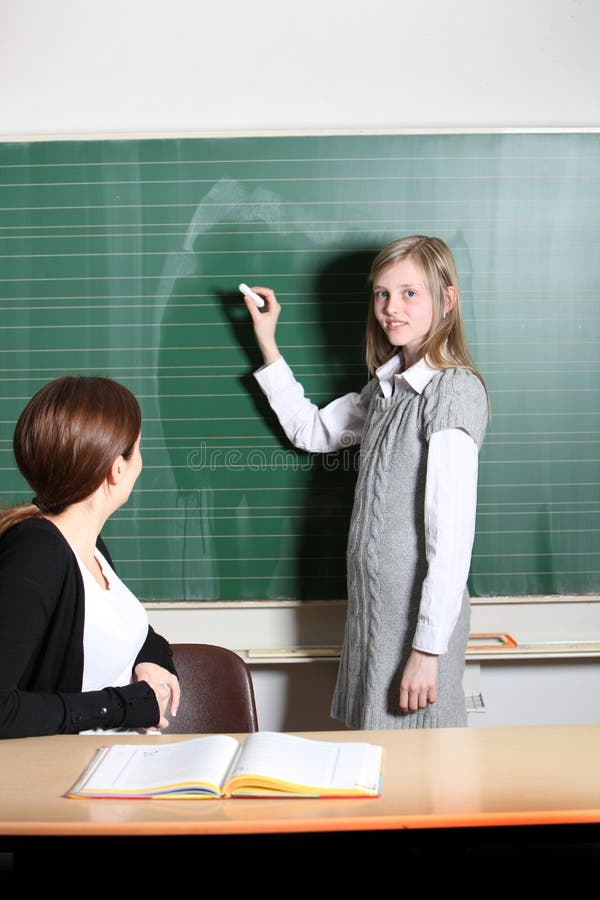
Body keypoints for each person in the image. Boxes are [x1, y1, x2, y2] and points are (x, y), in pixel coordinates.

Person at [243, 235, 489, 729]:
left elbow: (452, 535)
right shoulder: (384, 389)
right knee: (376, 765)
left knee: (417, 777)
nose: (391, 308)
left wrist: (426, 649)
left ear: (448, 297)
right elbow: (310, 430)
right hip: (376, 619)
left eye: (409, 293)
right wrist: (267, 340)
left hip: (415, 630)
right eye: (381, 294)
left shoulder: (452, 392)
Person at [0, 375, 180, 739]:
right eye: (138, 450)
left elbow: (134, 632)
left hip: (121, 765)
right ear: (116, 469)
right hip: (72, 780)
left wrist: (151, 661)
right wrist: (122, 707)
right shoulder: (37, 555)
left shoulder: (89, 545)